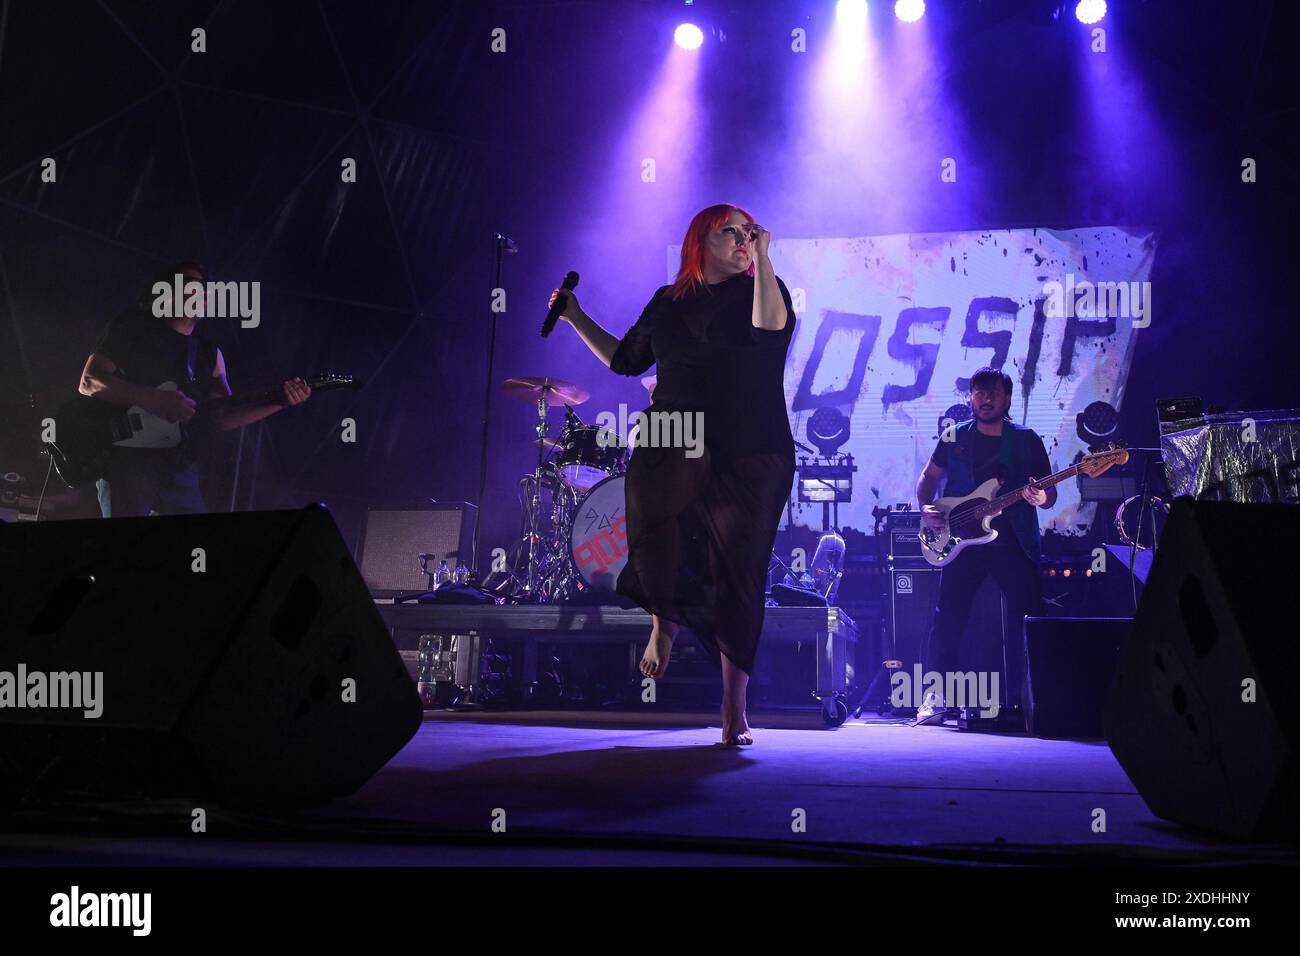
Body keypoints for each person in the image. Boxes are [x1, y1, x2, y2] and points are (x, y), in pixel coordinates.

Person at [551, 204, 797, 745]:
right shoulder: (668, 303)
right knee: (651, 511)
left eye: (748, 231)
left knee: (738, 567)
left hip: (750, 442)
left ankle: (734, 706)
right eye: (729, 231)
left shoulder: (762, 291)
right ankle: (664, 620)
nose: (742, 238)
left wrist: (763, 257)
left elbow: (771, 332)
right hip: (678, 431)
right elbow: (625, 360)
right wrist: (574, 315)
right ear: (699, 242)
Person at [78, 260, 312, 517]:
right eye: (190, 284)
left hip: (178, 469)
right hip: (126, 461)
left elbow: (222, 416)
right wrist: (155, 400)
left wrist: (279, 401)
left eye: (204, 288)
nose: (200, 291)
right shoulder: (133, 327)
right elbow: (89, 381)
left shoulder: (209, 354)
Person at [914, 367, 1054, 727]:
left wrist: (1041, 497)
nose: (985, 399)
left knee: (1030, 618)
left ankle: (1040, 695)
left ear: (1006, 398)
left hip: (1012, 540)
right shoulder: (953, 437)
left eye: (992, 392)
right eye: (978, 392)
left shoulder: (1026, 440)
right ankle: (935, 697)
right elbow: (928, 480)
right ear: (971, 397)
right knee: (948, 618)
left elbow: (1049, 494)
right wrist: (926, 507)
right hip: (962, 540)